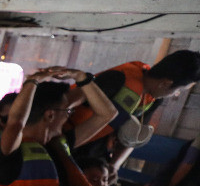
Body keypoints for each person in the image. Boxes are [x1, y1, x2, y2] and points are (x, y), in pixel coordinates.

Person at [0, 67, 116, 186]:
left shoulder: (58, 146)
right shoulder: (12, 148)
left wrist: (80, 77)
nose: (68, 117)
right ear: (50, 115)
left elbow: (107, 114)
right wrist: (33, 80)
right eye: (67, 111)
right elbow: (16, 123)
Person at [71, 50, 200, 170]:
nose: (175, 95)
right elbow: (71, 102)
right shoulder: (118, 78)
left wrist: (114, 166)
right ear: (166, 83)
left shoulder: (152, 100)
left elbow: (134, 135)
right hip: (68, 140)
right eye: (178, 90)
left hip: (92, 154)